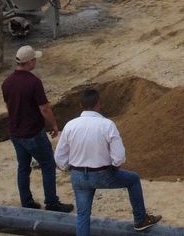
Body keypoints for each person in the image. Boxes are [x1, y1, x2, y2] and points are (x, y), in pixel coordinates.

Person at [54, 87, 161, 235]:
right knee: (133, 179)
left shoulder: (70, 125)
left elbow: (59, 156)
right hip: (102, 174)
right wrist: (115, 166)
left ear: (81, 105)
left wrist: (68, 168)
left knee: (83, 215)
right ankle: (140, 220)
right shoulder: (107, 125)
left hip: (78, 175)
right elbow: (119, 156)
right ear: (99, 104)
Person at [2, 45, 74, 213]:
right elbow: (44, 108)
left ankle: (26, 202)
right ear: (30, 62)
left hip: (16, 132)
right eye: (34, 59)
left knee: (23, 167)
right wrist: (54, 125)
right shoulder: (34, 82)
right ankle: (52, 202)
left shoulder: (7, 82)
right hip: (33, 133)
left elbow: (8, 106)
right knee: (48, 165)